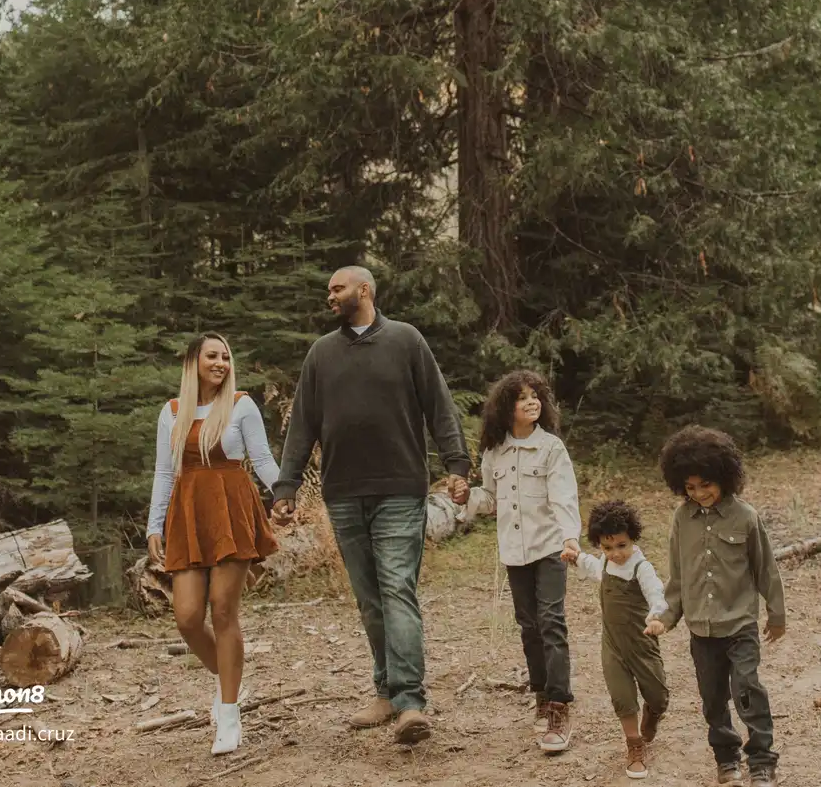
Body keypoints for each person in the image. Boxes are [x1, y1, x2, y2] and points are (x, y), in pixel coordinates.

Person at [271, 266, 470, 745]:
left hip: (400, 487)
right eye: (328, 289)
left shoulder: (405, 341)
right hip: (343, 493)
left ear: (365, 290)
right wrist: (286, 486)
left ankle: (410, 702)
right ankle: (386, 690)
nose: (330, 296)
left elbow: (438, 405)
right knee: (370, 598)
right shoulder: (321, 353)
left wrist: (457, 464)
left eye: (337, 288)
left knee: (397, 588)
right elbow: (303, 424)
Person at [147, 332, 280, 757]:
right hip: (187, 516)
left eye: (226, 356)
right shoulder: (171, 413)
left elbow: (261, 460)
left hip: (231, 510)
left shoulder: (241, 405)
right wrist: (154, 526)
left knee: (223, 610)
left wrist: (285, 493)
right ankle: (230, 682)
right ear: (193, 362)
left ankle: (228, 713)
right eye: (212, 356)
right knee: (186, 618)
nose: (221, 363)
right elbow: (164, 473)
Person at [644, 426, 785, 787]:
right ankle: (726, 759)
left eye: (706, 484)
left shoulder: (746, 517)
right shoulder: (681, 519)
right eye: (690, 488)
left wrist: (777, 613)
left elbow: (765, 568)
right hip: (701, 630)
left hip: (740, 625)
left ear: (724, 476)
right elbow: (677, 580)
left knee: (748, 688)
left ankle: (762, 762)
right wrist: (665, 617)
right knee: (713, 699)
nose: (699, 493)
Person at [477, 370, 581, 755]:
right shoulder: (494, 451)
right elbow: (488, 498)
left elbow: (564, 497)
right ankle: (540, 692)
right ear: (507, 407)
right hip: (514, 552)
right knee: (529, 626)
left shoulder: (551, 448)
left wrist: (571, 537)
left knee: (552, 622)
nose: (531, 401)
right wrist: (461, 498)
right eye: (522, 397)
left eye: (535, 395)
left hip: (551, 547)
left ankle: (559, 705)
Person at [562, 499, 669, 780]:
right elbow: (592, 567)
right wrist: (575, 557)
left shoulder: (641, 568)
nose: (615, 554)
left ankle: (653, 715)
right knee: (622, 697)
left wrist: (657, 617)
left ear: (632, 539)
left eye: (621, 546)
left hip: (641, 643)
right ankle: (634, 746)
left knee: (658, 696)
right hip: (613, 644)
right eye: (607, 548)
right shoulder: (605, 564)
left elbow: (656, 593)